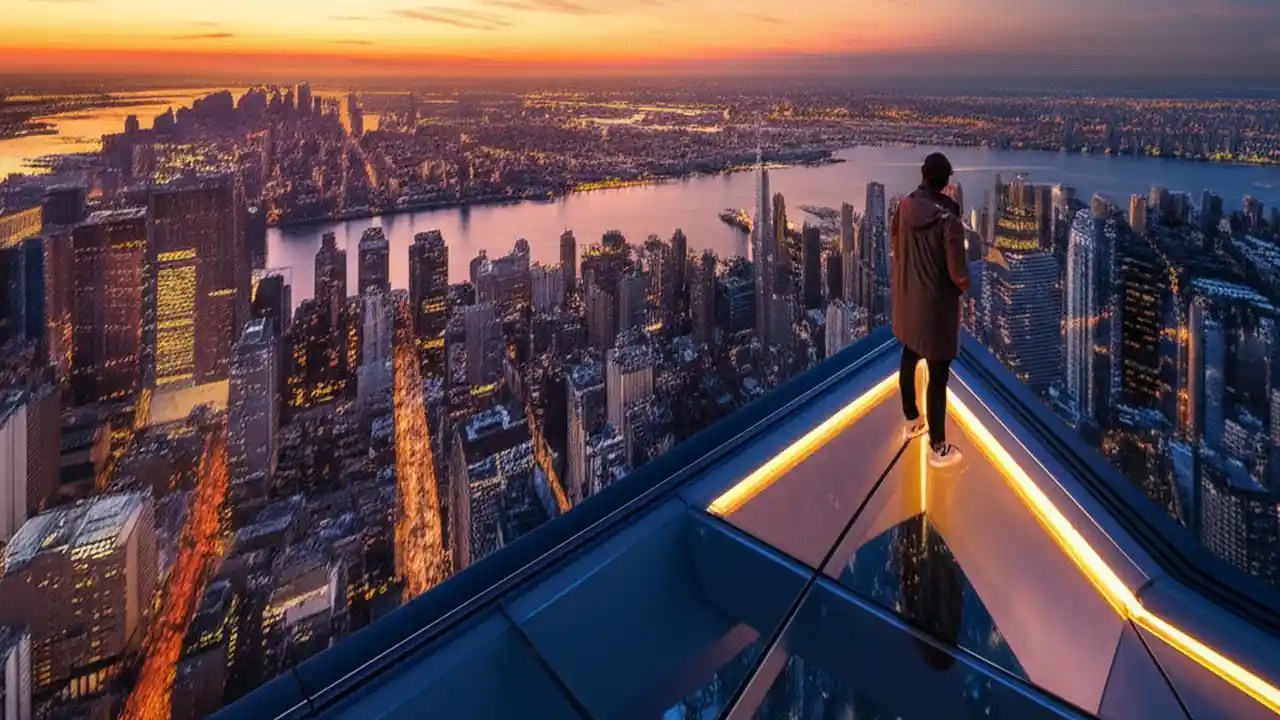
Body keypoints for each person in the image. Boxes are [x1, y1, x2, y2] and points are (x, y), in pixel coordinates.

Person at [891, 152, 970, 468]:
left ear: (924, 175)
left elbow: (897, 246)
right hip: (936, 309)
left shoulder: (906, 205)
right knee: (938, 377)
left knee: (910, 356)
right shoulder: (948, 222)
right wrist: (964, 285)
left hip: (910, 298)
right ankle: (937, 447)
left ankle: (912, 418)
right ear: (946, 181)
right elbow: (960, 276)